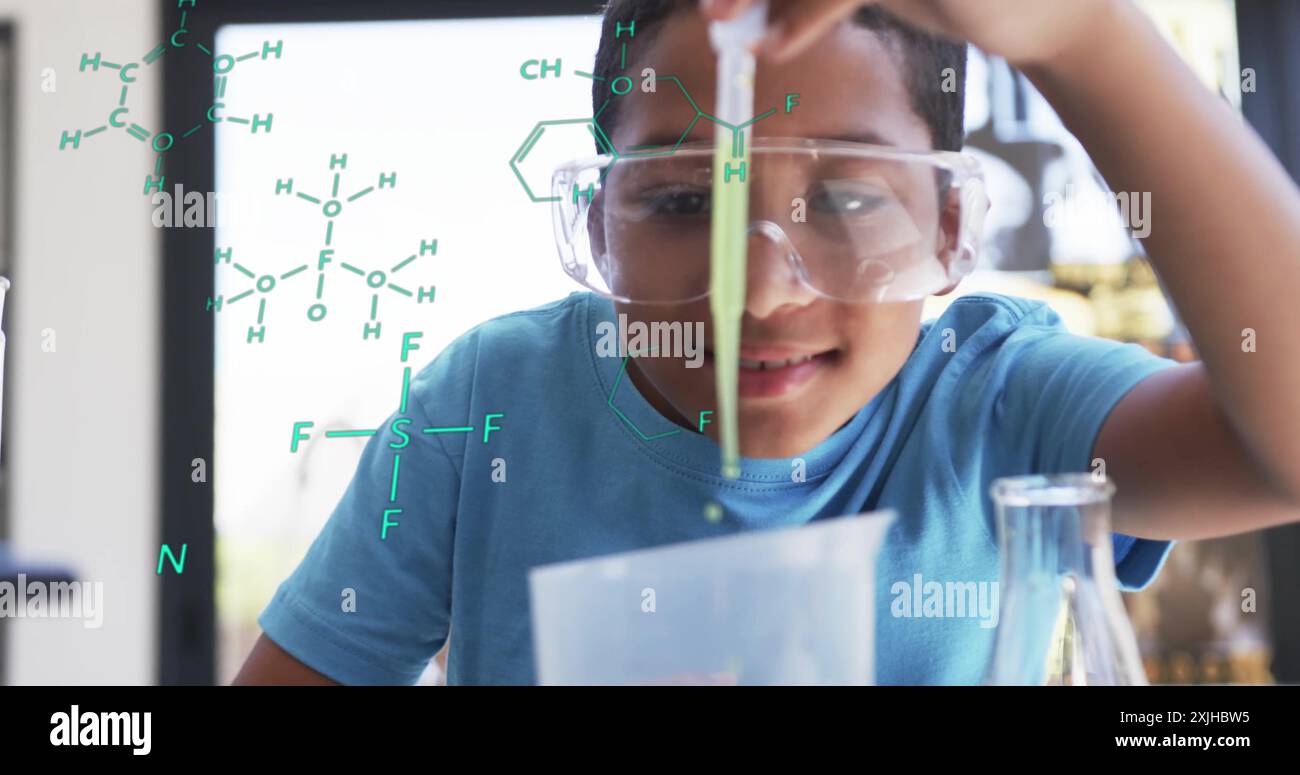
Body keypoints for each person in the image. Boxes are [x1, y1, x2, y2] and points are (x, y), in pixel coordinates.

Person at [235, 0, 1300, 685]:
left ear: (946, 224)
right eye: (684, 198)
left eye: (842, 196)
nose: (756, 294)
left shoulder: (1000, 403)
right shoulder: (484, 410)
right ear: (600, 224)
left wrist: (1084, 36)